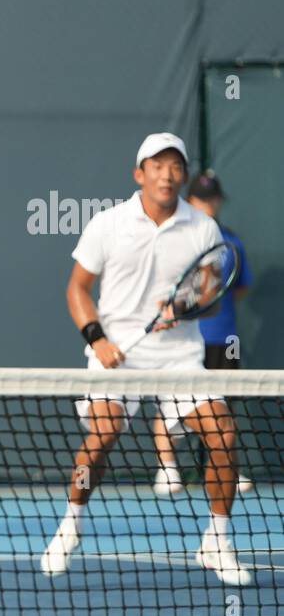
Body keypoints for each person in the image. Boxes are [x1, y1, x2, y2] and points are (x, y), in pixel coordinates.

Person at [42, 132, 251, 585]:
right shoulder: (108, 224)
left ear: (183, 175)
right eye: (157, 165)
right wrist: (97, 339)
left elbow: (210, 295)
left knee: (224, 436)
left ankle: (216, 541)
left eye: (175, 165)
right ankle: (70, 524)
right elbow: (77, 288)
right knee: (103, 436)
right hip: (116, 354)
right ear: (140, 174)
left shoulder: (203, 228)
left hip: (180, 358)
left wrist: (185, 307)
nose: (167, 173)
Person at [151, 170, 253, 494]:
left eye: (213, 199)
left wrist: (206, 301)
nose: (208, 205)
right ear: (189, 200)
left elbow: (238, 289)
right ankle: (167, 469)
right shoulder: (174, 239)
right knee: (170, 403)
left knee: (224, 406)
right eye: (202, 199)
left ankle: (225, 469)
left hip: (227, 340)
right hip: (181, 344)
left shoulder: (231, 241)